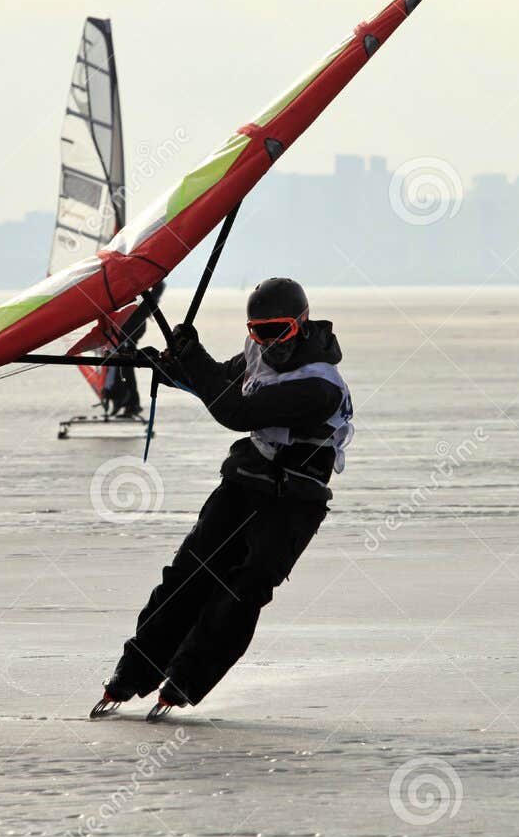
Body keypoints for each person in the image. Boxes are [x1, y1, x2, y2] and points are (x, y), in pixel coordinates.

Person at [90, 277, 352, 721]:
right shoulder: (257, 357)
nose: (270, 344)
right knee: (187, 573)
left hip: (293, 502)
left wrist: (193, 361)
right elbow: (220, 381)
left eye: (280, 332)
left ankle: (184, 682)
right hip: (246, 483)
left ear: (302, 326)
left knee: (242, 588)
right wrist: (170, 366)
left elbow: (236, 411)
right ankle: (133, 672)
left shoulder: (318, 383)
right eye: (260, 333)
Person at [100, 283, 163, 418]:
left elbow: (158, 289)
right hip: (125, 335)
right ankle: (127, 403)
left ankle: (130, 403)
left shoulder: (141, 302)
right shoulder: (133, 299)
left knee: (124, 366)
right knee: (122, 367)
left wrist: (156, 280)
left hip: (129, 335)